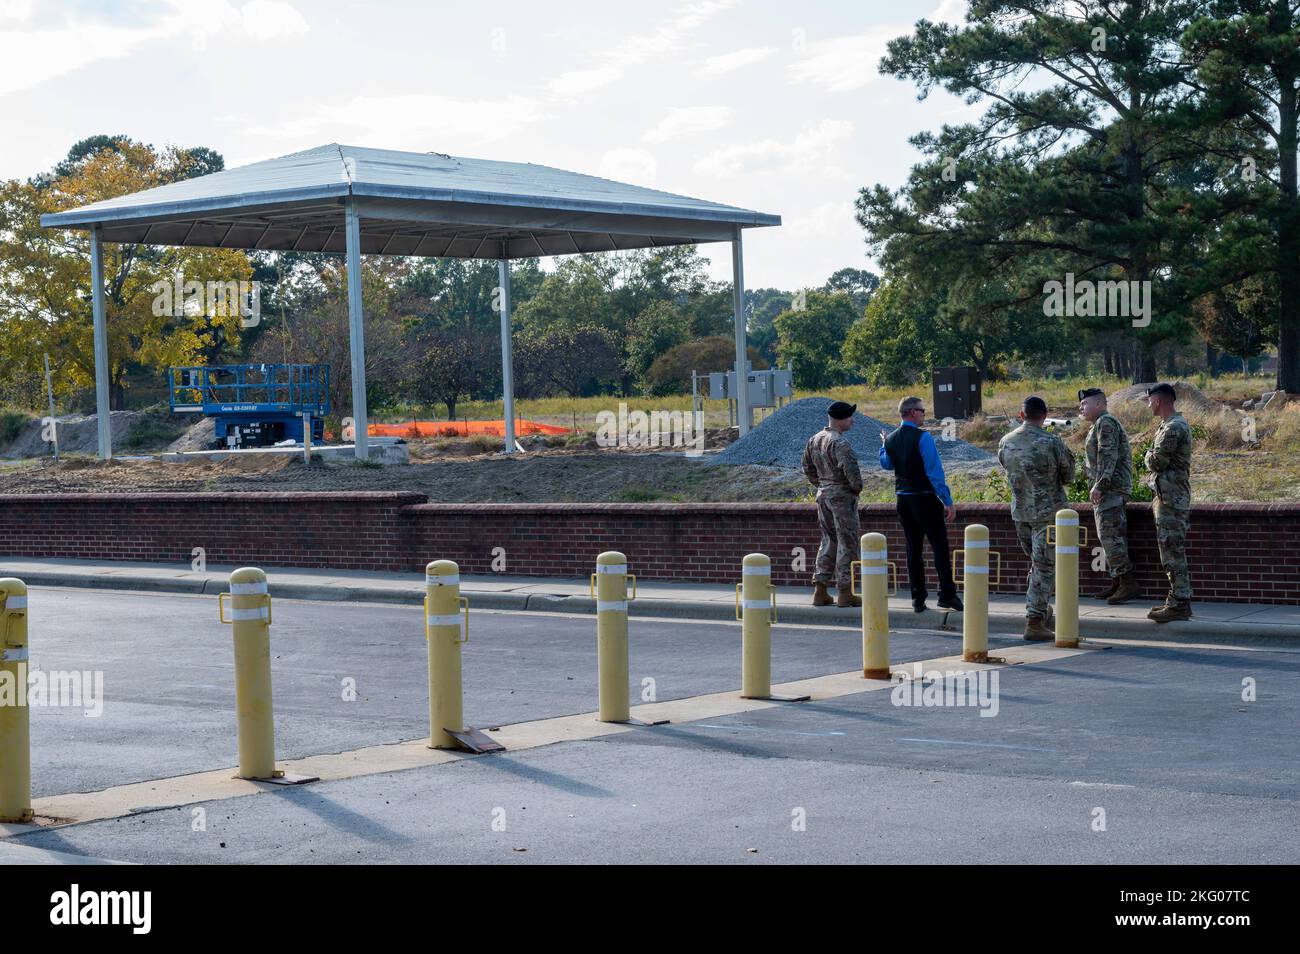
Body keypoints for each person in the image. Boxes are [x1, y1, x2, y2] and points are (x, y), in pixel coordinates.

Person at [998, 396, 1076, 641]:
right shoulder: (1052, 442)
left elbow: (1006, 467)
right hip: (1048, 513)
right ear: (1044, 415)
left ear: (1021, 415)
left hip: (1020, 513)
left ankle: (1040, 610)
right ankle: (1034, 619)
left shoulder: (1006, 441)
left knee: (1036, 563)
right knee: (1044, 566)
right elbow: (1069, 475)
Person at [879, 396, 962, 613]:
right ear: (913, 412)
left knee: (913, 550)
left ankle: (918, 599)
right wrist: (947, 500)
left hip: (903, 499)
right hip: (924, 498)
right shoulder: (923, 437)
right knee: (940, 548)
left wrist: (883, 445)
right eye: (923, 411)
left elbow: (886, 464)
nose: (925, 414)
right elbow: (934, 472)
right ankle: (947, 595)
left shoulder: (891, 440)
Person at [1078, 387, 1138, 604]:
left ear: (1100, 404)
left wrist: (1100, 485)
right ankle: (1117, 582)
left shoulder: (1106, 422)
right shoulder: (1098, 424)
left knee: (1111, 538)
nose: (1081, 408)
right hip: (1107, 490)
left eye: (1085, 404)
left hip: (1111, 490)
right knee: (1106, 537)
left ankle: (1127, 582)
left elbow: (1108, 455)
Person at [801, 400, 863, 608]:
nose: (852, 421)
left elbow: (807, 467)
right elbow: (853, 475)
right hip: (842, 497)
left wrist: (821, 484)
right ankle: (845, 592)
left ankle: (820, 589)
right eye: (849, 417)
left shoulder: (814, 439)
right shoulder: (840, 443)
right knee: (848, 542)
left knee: (828, 541)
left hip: (823, 494)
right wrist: (855, 488)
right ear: (841, 419)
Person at [1143, 383, 1194, 622]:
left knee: (1172, 552)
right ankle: (1176, 600)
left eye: (1150, 400)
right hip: (1167, 496)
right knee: (1169, 551)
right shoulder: (1167, 425)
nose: (1148, 404)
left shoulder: (1173, 427)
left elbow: (1157, 462)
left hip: (1172, 499)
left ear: (1159, 401)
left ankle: (1180, 602)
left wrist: (1147, 454)